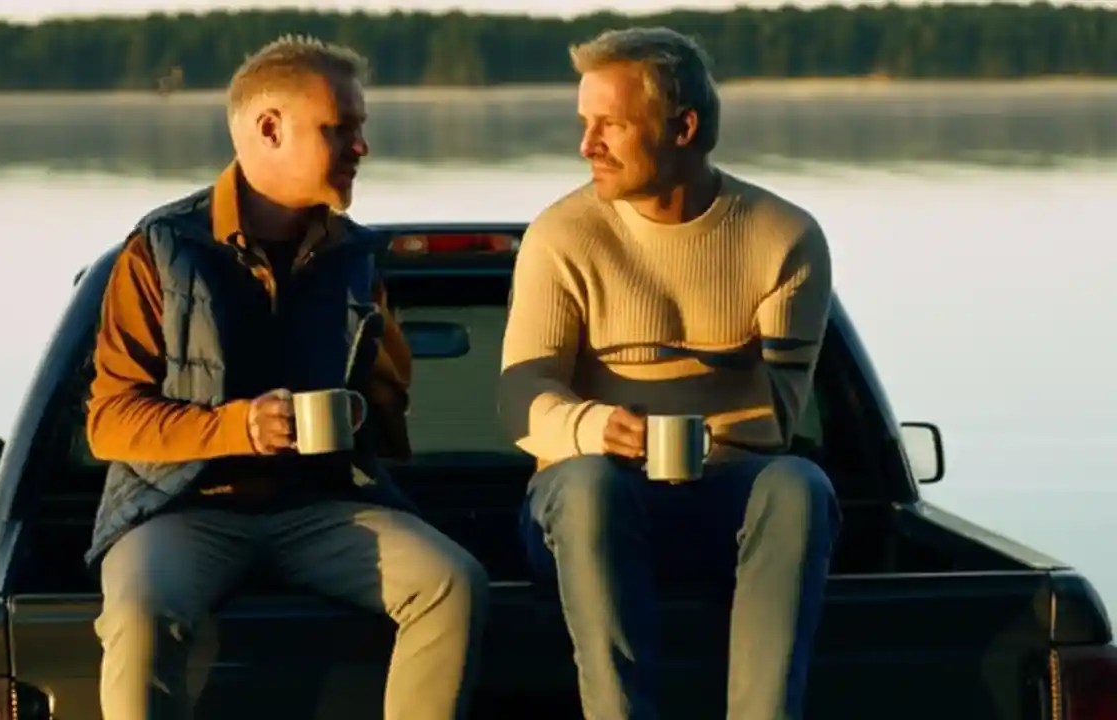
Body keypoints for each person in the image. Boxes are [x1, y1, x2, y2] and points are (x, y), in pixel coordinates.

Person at [84, 35, 487, 720]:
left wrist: (372, 405)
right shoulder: (160, 249)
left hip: (322, 510)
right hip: (183, 508)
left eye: (361, 129)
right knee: (143, 608)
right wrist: (238, 425)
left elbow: (386, 414)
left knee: (455, 583)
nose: (362, 146)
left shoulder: (355, 253)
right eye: (344, 129)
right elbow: (109, 421)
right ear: (270, 128)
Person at [498, 27, 839, 720]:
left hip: (725, 497)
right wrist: (596, 426)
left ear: (683, 127)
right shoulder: (562, 235)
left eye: (611, 126)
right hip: (584, 506)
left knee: (799, 484)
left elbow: (773, 422)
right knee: (591, 482)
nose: (586, 145)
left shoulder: (784, 237)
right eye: (584, 124)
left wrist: (668, 407)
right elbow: (518, 401)